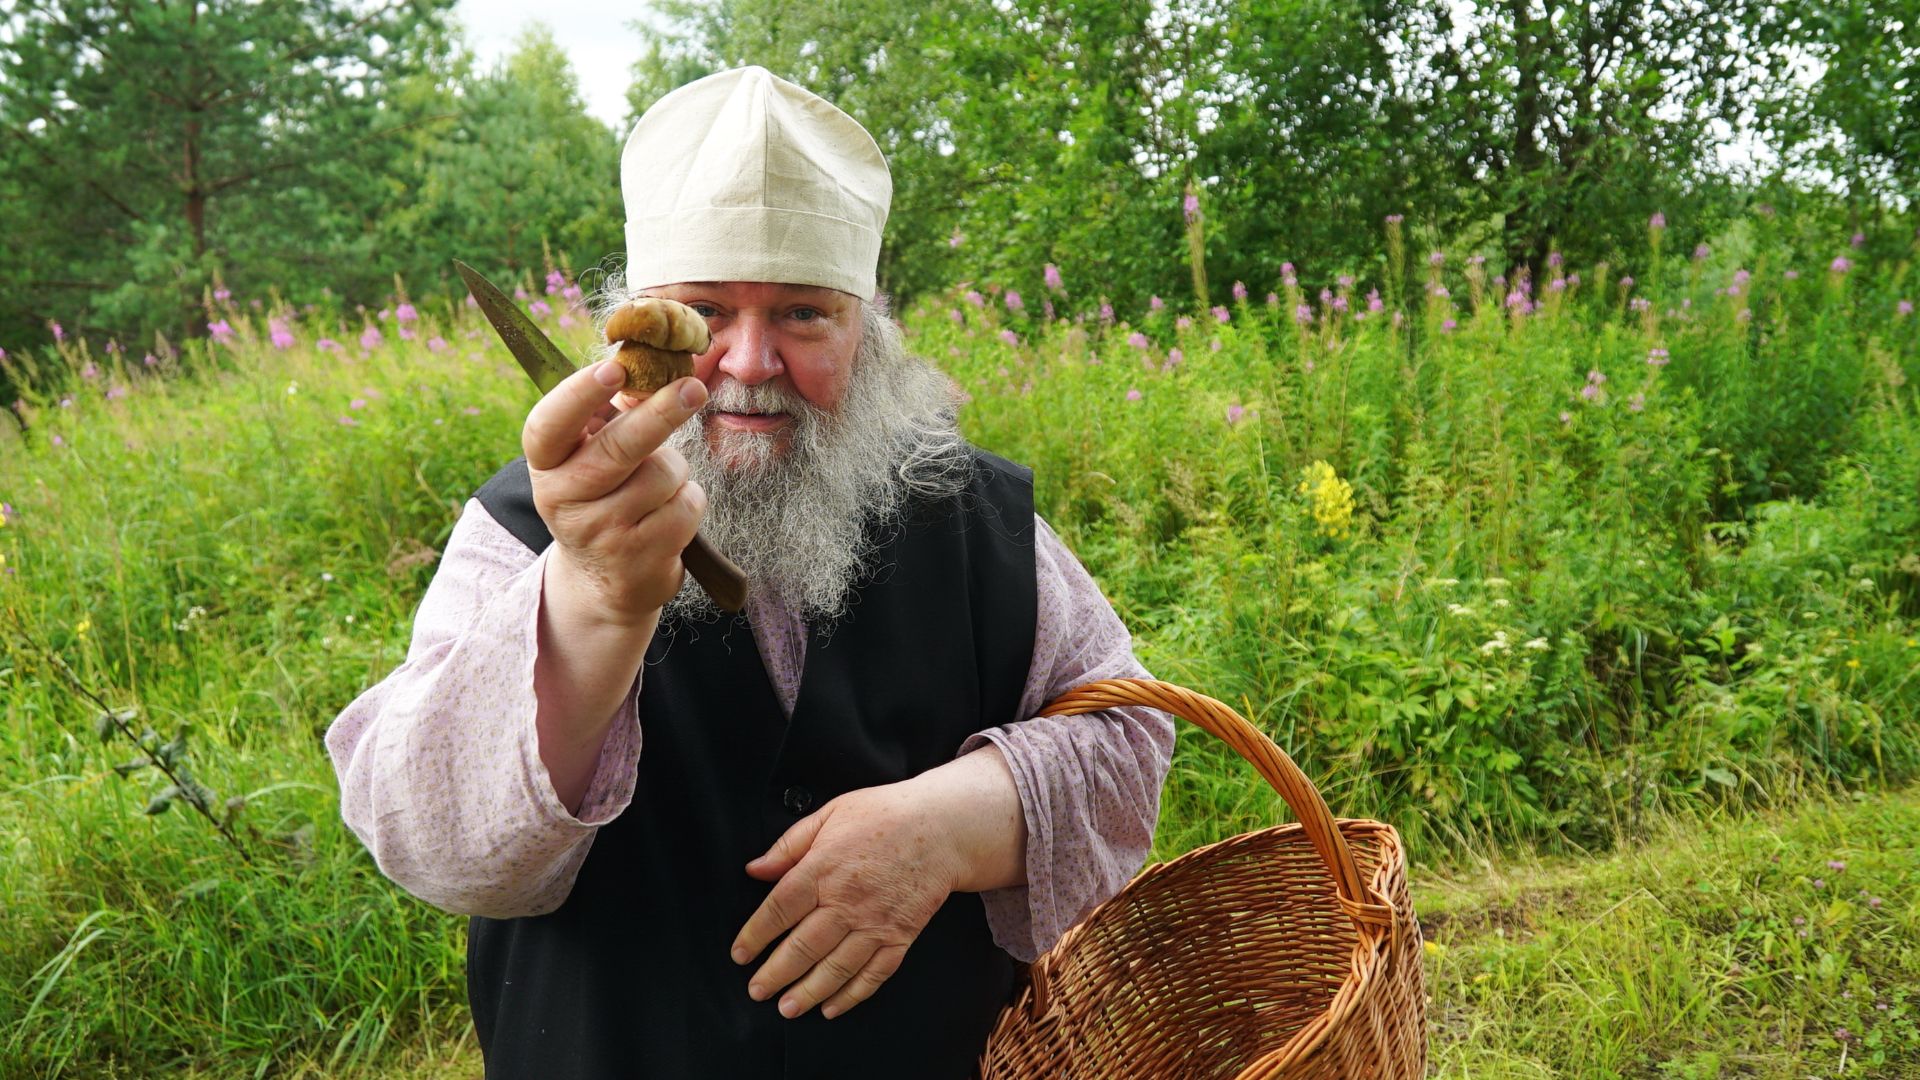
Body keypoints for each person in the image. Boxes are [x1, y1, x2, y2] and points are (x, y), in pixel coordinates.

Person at [325, 65, 1174, 1079]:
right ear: (628, 336)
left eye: (804, 315)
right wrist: (591, 599)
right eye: (703, 315)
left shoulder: (972, 516)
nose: (748, 362)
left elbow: (1127, 738)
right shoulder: (529, 524)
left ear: (869, 333)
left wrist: (948, 825)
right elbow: (438, 848)